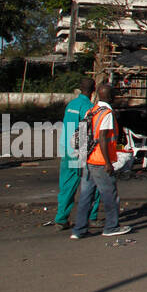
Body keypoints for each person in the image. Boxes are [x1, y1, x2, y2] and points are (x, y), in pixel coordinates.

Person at [70, 83, 131, 239]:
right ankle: (111, 227)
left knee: (85, 196)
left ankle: (79, 230)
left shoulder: (91, 111)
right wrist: (108, 162)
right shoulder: (107, 113)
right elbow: (103, 138)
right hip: (100, 161)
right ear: (111, 97)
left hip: (88, 160)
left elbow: (83, 135)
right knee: (110, 195)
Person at [52, 77, 98, 230]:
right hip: (78, 152)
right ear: (94, 90)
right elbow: (85, 132)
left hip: (66, 149)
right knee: (93, 184)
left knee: (67, 185)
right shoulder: (88, 107)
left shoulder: (71, 104)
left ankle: (61, 219)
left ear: (79, 88)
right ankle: (91, 217)